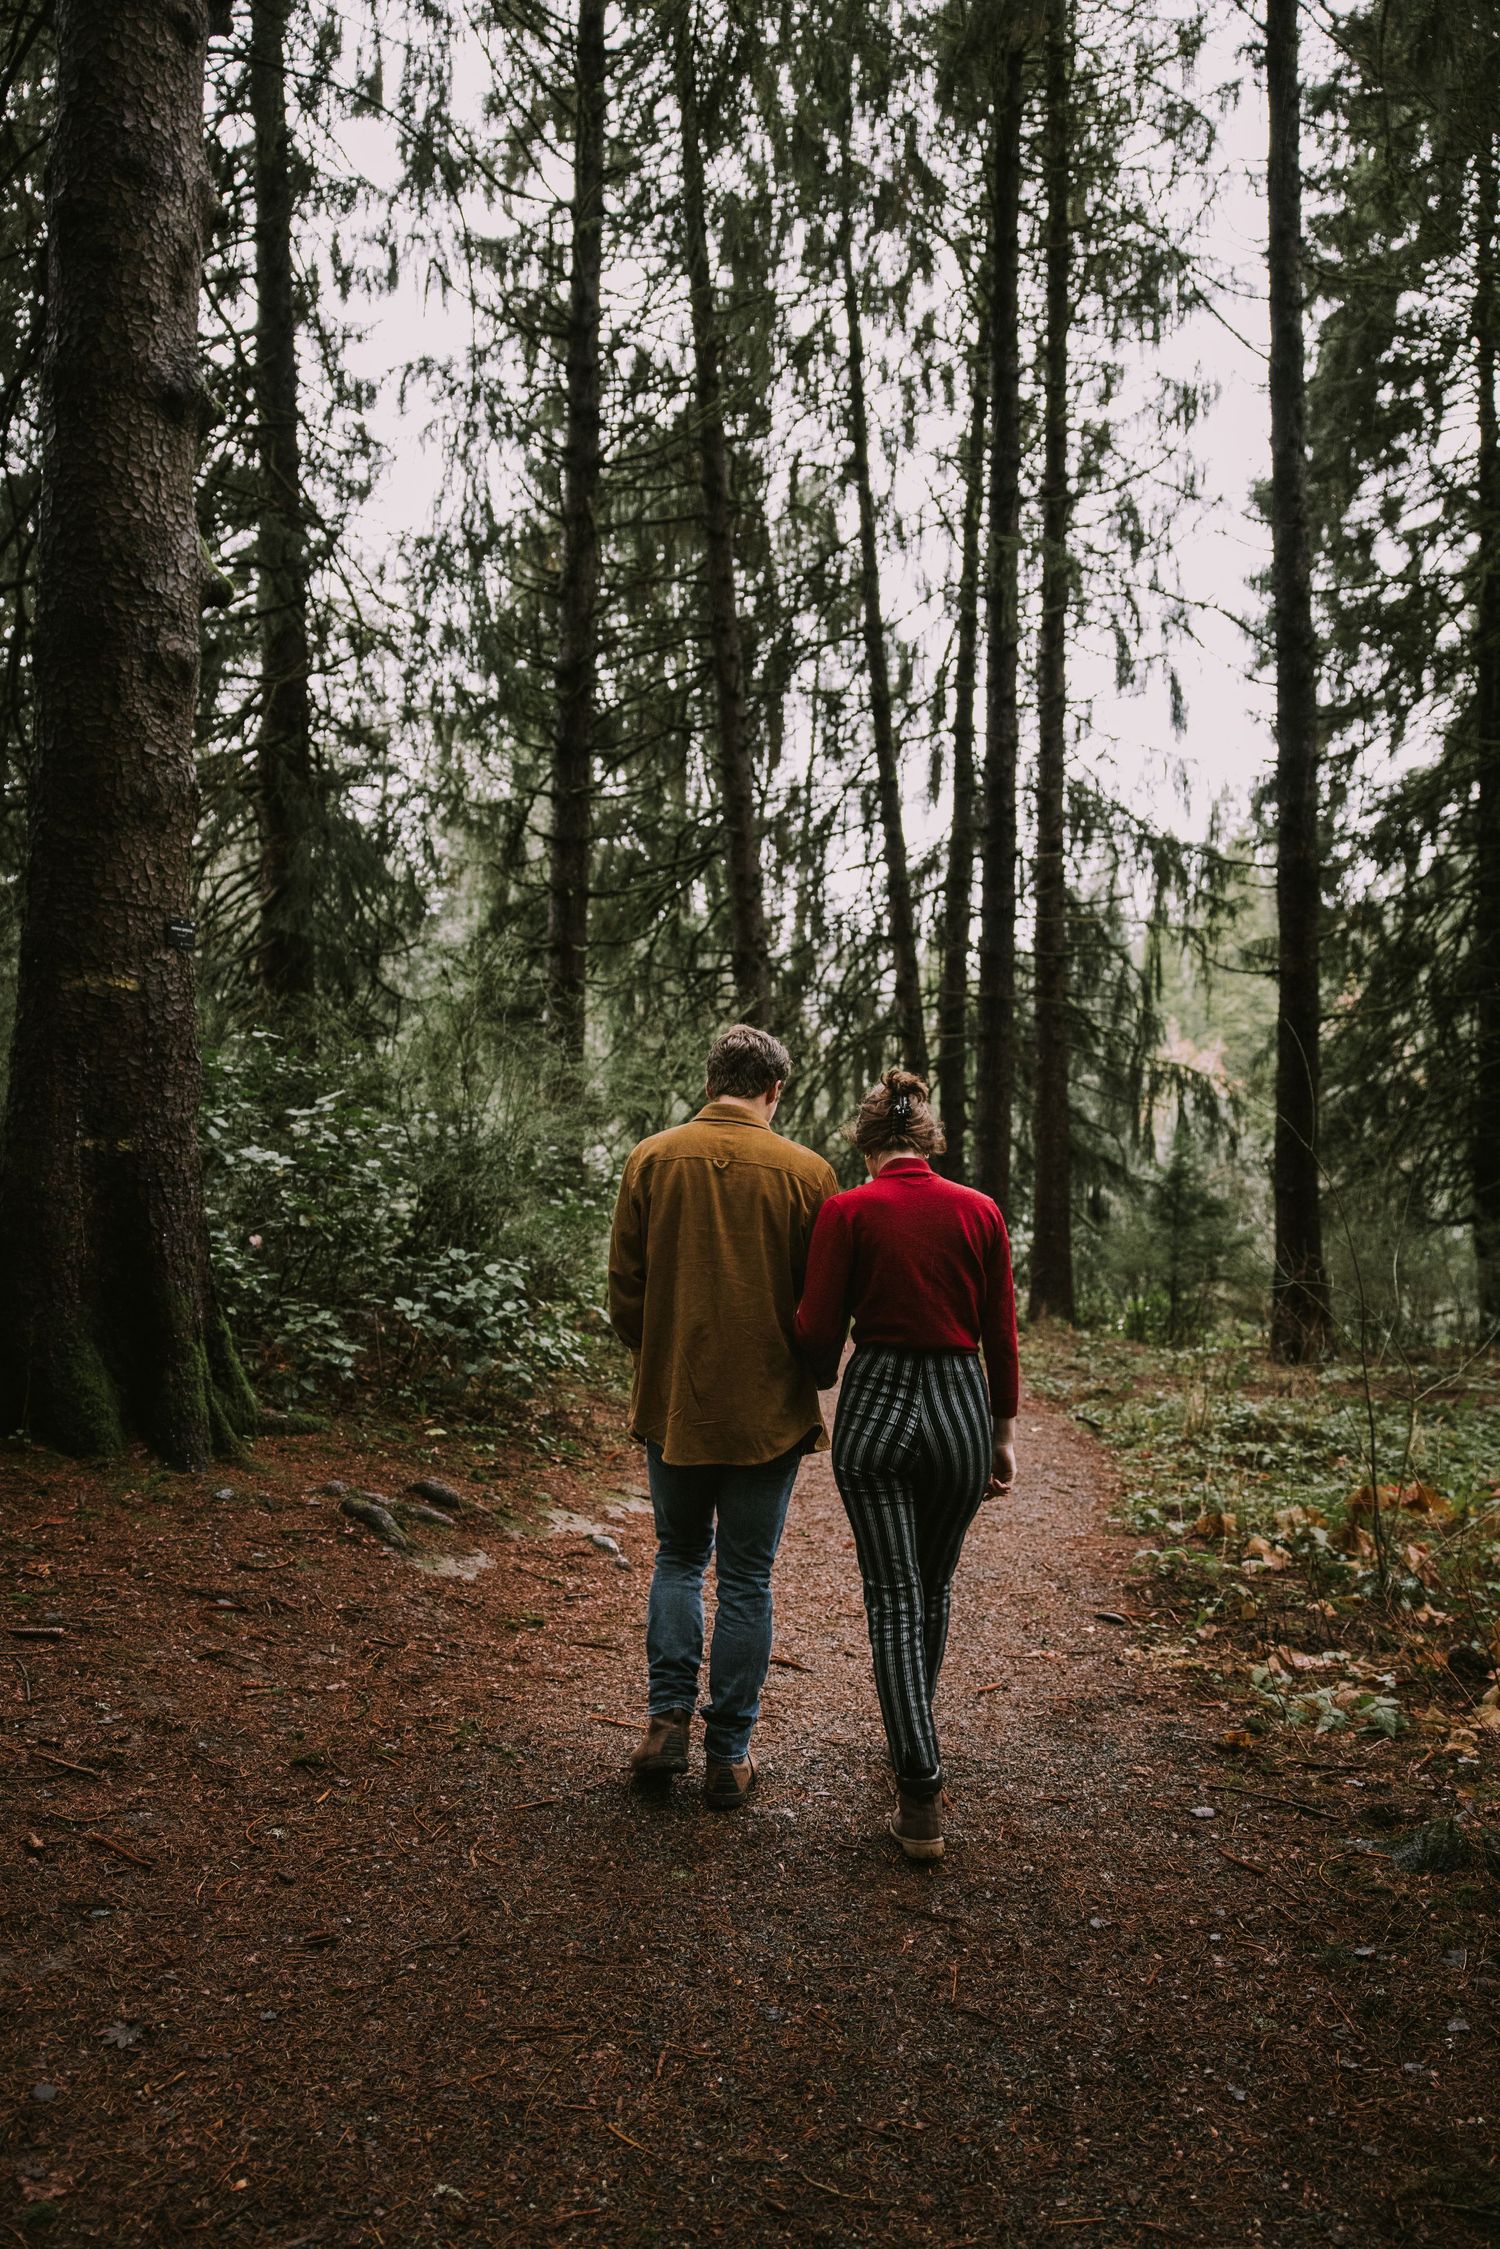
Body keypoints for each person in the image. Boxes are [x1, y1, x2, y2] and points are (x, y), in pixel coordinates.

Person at [607, 1025, 838, 1809]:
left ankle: (664, 1721)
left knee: (677, 1558)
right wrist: (810, 1371)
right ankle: (728, 1753)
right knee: (747, 1576)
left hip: (675, 1401)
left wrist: (663, 1353)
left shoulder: (650, 1157)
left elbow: (625, 1290)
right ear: (774, 1090)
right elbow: (823, 1301)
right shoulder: (809, 1172)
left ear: (711, 1081)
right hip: (766, 1410)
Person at [794, 1067, 1018, 1861]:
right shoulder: (981, 1211)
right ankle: (911, 1732)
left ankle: (919, 1782)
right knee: (933, 1584)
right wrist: (1001, 1432)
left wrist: (815, 1372)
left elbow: (820, 1329)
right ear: (929, 1140)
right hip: (960, 1401)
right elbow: (1001, 1331)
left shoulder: (847, 1210)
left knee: (892, 1594)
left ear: (866, 1144)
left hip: (878, 1401)